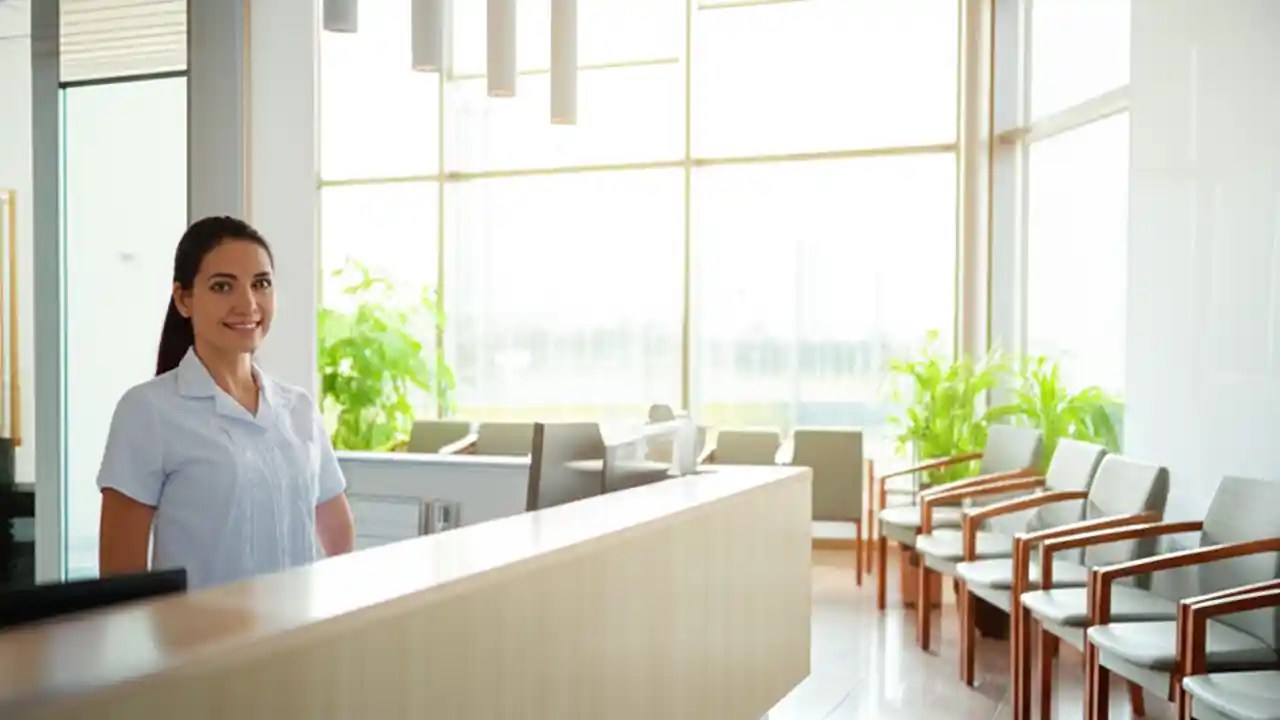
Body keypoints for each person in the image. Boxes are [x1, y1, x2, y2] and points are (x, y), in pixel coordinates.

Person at [96, 216, 355, 590]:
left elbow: (339, 541)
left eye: (261, 284)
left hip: (300, 639)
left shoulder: (298, 409)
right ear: (184, 299)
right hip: (200, 645)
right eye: (222, 287)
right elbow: (122, 574)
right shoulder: (147, 411)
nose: (248, 303)